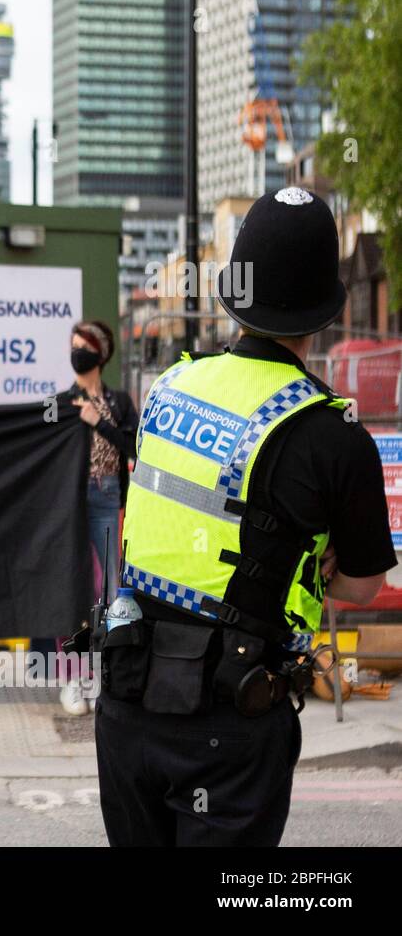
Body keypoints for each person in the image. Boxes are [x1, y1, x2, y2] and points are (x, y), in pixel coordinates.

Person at [95, 188, 395, 846]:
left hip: (127, 697)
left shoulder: (170, 385)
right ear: (326, 306)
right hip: (230, 724)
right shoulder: (334, 435)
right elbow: (362, 585)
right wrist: (314, 563)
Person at [54, 321, 138, 716]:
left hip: (107, 494)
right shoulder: (60, 401)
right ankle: (71, 678)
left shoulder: (119, 401)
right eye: (72, 346)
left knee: (111, 591)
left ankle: (105, 675)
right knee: (72, 587)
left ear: (100, 353)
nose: (75, 352)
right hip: (70, 498)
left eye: (82, 346)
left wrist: (97, 420)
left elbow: (132, 444)